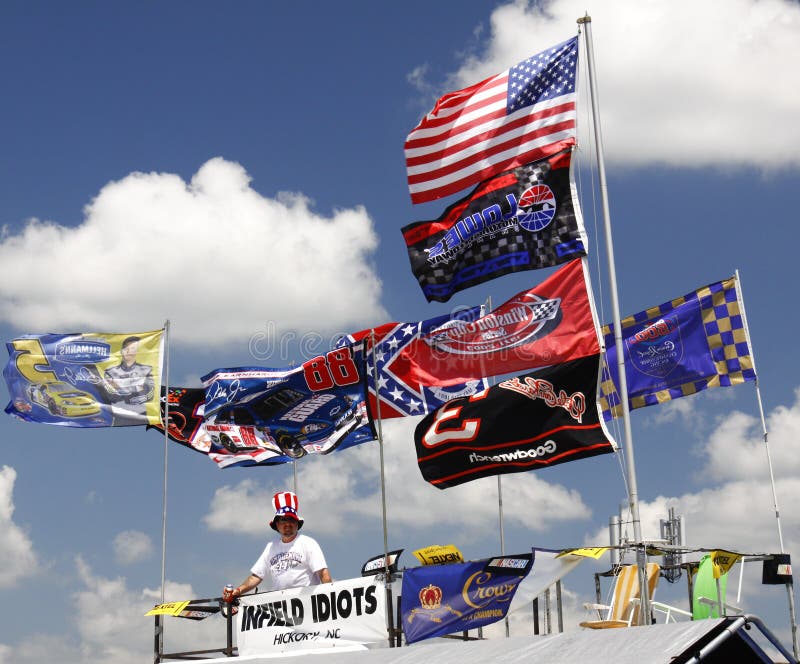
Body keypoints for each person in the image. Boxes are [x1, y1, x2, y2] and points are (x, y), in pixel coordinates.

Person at [223, 491, 331, 603]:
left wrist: (331, 599)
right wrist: (238, 590)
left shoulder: (308, 543)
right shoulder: (271, 547)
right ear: (277, 525)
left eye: (291, 519)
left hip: (309, 604)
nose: (287, 524)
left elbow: (324, 574)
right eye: (283, 520)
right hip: (282, 608)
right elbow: (256, 576)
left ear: (297, 524)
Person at [103, 336, 154, 424]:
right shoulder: (110, 372)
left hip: (141, 416)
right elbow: (111, 396)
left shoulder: (146, 370)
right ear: (121, 351)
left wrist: (119, 387)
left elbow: (148, 394)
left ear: (137, 352)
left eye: (133, 348)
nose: (128, 351)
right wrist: (137, 387)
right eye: (126, 348)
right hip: (118, 417)